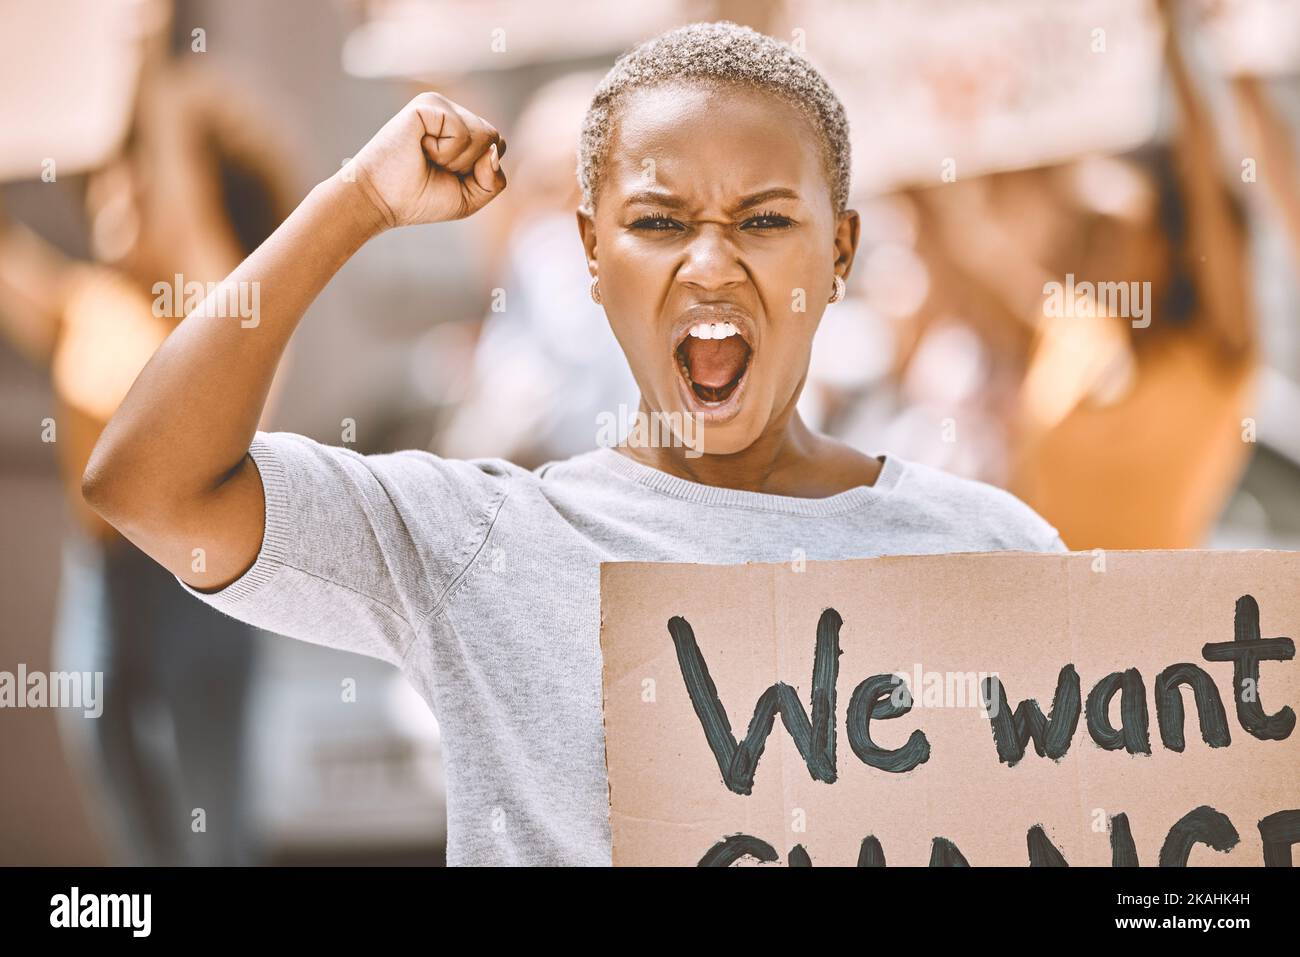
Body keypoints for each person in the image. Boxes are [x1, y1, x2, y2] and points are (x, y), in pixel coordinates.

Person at [83, 22, 1067, 866]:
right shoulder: (484, 542)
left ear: (840, 250)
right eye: (658, 221)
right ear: (591, 252)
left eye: (765, 219)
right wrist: (357, 202)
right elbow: (150, 484)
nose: (710, 263)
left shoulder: (991, 548)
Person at [0, 53, 294, 863]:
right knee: (134, 831)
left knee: (211, 833)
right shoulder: (87, 302)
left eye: (141, 171)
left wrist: (145, 55)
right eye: (110, 170)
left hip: (191, 585)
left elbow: (185, 196)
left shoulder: (220, 305)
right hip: (99, 586)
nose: (117, 189)